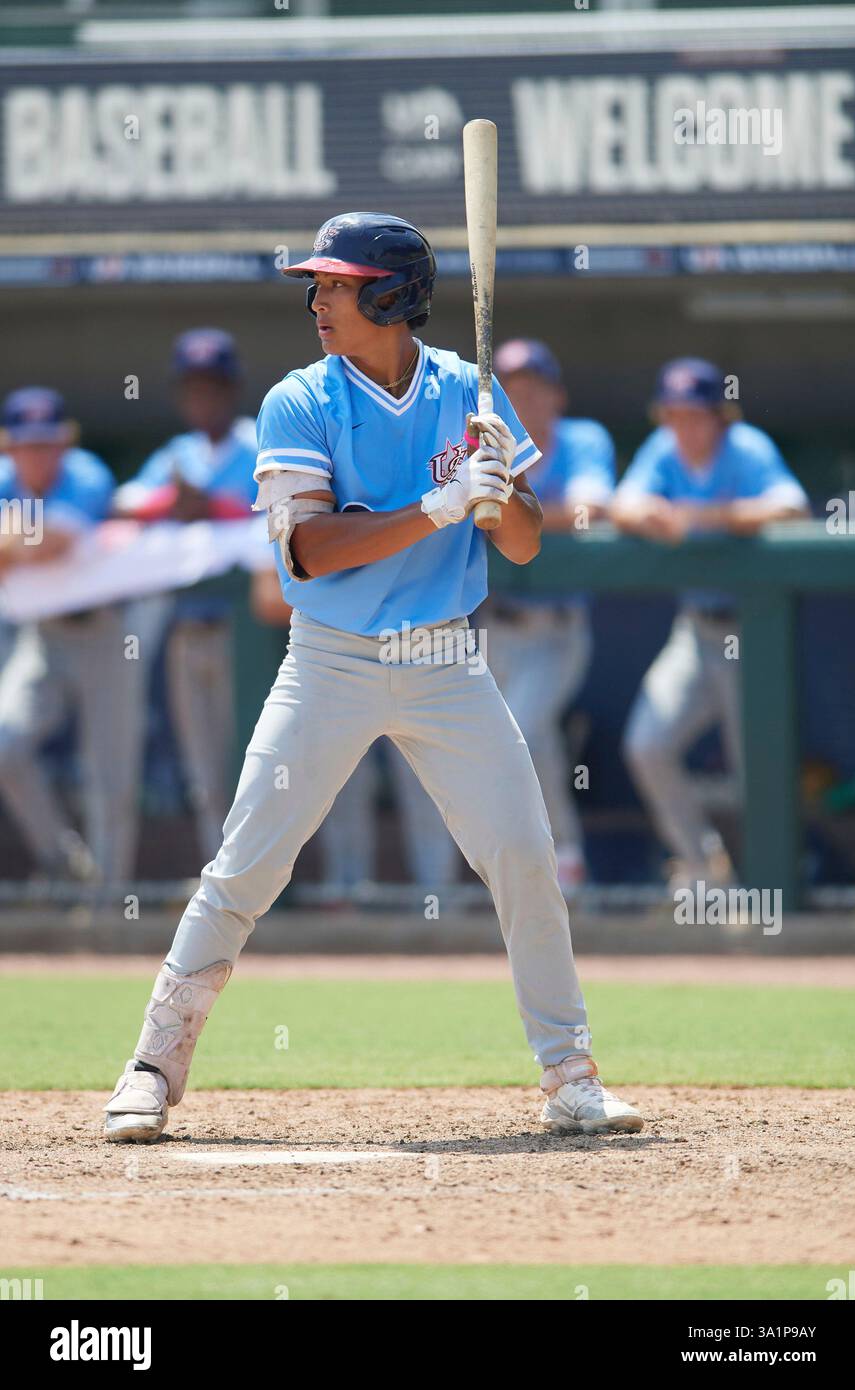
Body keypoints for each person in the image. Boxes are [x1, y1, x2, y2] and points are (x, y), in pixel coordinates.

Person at [102, 212, 643, 1144]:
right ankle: (152, 1066)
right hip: (331, 660)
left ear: (392, 296)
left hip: (445, 658)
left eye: (340, 284)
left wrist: (497, 487)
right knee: (245, 867)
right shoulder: (298, 400)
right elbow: (310, 548)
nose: (319, 299)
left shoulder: (471, 392)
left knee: (523, 857)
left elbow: (522, 543)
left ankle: (569, 1075)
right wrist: (437, 505)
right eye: (318, 284)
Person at [611, 357, 810, 891]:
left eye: (696, 415)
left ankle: (779, 885)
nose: (685, 426)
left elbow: (792, 509)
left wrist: (704, 517)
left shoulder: (746, 448)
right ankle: (704, 868)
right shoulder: (663, 450)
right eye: (675, 414)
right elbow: (621, 503)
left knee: (758, 770)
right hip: (695, 631)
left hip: (754, 633)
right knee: (647, 744)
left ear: (721, 417)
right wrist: (647, 514)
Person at [477, 339, 615, 895]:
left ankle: (567, 861)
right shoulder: (479, 437)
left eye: (535, 386)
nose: (524, 397)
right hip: (492, 627)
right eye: (512, 387)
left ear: (556, 395)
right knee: (478, 744)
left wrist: (501, 510)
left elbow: (591, 510)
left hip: (557, 626)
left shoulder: (582, 439)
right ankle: (508, 871)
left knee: (527, 731)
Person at [115, 329, 258, 862]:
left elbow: (287, 511)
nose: (205, 397)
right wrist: (169, 503)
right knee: (204, 773)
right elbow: (123, 506)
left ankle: (266, 884)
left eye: (214, 386)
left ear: (233, 388)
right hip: (186, 628)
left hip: (249, 633)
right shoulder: (177, 455)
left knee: (254, 762)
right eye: (194, 387)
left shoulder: (258, 442)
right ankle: (221, 880)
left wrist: (216, 506)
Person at [0, 387, 142, 885]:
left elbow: (55, 541)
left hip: (103, 632)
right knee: (4, 745)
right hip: (42, 636)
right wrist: (25, 540)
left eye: (47, 443)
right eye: (26, 444)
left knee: (108, 776)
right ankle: (68, 867)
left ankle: (109, 906)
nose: (38, 455)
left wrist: (12, 534)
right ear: (8, 446)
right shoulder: (4, 478)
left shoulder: (87, 474)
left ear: (65, 443)